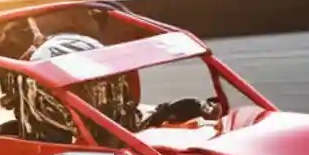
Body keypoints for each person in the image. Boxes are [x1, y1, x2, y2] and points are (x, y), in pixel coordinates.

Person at [16, 33, 215, 145]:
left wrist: (196, 109)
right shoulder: (22, 152)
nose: (107, 99)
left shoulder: (122, 118)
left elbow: (151, 116)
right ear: (49, 101)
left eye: (110, 87)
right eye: (92, 92)